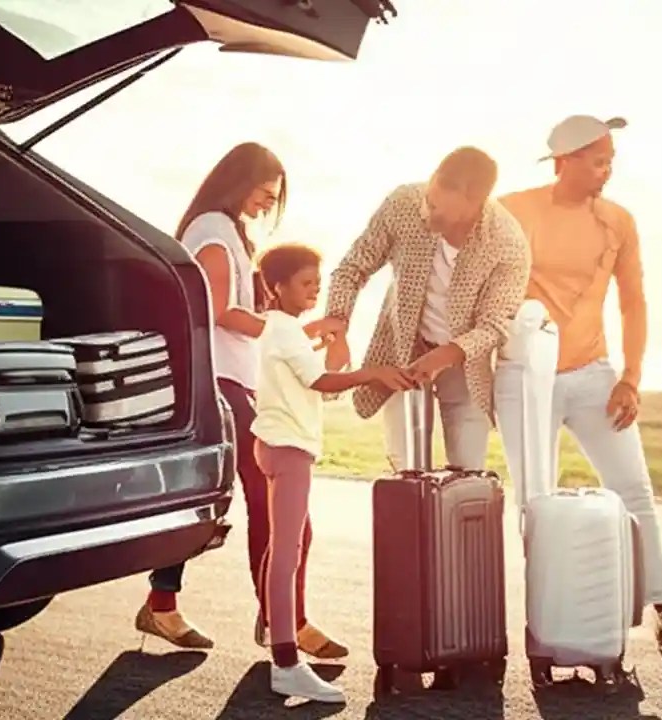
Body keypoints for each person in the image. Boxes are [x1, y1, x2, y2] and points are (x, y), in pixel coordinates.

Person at [498, 115, 662, 657]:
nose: (608, 170)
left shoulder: (618, 220)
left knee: (633, 489)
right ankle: (548, 621)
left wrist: (630, 378)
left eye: (611, 160)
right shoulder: (512, 210)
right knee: (535, 500)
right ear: (564, 161)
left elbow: (633, 303)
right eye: (598, 160)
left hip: (594, 374)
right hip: (526, 376)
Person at [135, 142, 347, 659]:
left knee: (200, 495)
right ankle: (284, 620)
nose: (268, 203)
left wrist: (294, 334)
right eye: (265, 192)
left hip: (232, 379)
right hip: (221, 381)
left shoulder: (225, 230)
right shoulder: (213, 229)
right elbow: (219, 311)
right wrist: (287, 333)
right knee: (273, 502)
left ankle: (165, 605)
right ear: (239, 181)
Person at [251, 243, 415, 702]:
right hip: (289, 450)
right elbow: (322, 381)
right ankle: (286, 663)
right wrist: (373, 373)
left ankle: (273, 626)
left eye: (317, 284)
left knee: (285, 545)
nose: (314, 291)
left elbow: (316, 375)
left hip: (275, 445)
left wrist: (323, 342)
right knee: (287, 554)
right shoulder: (285, 331)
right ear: (277, 286)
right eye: (306, 283)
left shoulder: (280, 329)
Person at [313, 147, 530, 471]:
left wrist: (444, 356)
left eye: (435, 207)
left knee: (467, 471)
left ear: (472, 202)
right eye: (428, 198)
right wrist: (337, 323)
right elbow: (353, 267)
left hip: (463, 361)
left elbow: (494, 325)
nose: (425, 211)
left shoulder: (507, 244)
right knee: (406, 467)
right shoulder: (404, 203)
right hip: (402, 350)